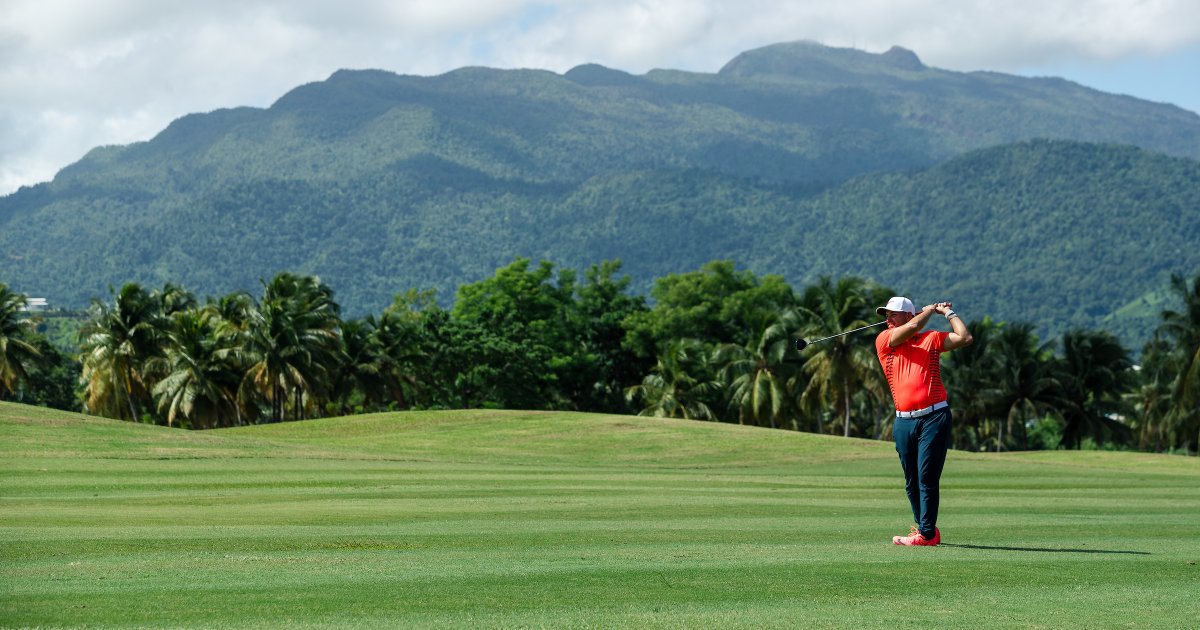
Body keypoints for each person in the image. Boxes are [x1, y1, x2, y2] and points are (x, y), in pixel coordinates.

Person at [874, 296, 973, 546]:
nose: (888, 319)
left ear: (908, 314)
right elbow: (911, 328)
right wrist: (928, 311)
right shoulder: (885, 340)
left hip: (934, 416)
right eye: (886, 314)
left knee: (926, 476)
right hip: (903, 421)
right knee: (911, 480)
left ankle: (926, 534)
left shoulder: (930, 338)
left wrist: (947, 314)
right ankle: (924, 528)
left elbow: (964, 337)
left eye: (893, 314)